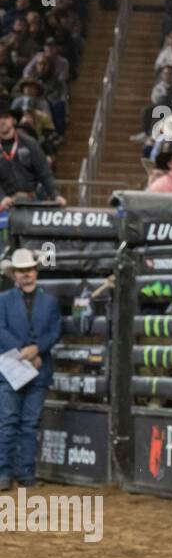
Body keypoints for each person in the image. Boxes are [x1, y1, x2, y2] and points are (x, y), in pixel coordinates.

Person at [0, 248, 61, 490]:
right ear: (14, 274)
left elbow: (55, 332)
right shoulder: (3, 301)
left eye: (30, 270)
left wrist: (37, 349)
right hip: (12, 368)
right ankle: (4, 473)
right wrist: (26, 351)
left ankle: (26, 474)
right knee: (8, 421)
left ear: (35, 271)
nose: (27, 275)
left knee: (29, 422)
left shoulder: (50, 301)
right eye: (22, 271)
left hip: (36, 368)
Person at [0, 108, 62, 206]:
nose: (2, 121)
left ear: (12, 120)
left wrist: (55, 195)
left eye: (5, 117)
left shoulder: (30, 143)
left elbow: (44, 172)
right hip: (5, 204)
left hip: (30, 201)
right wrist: (2, 198)